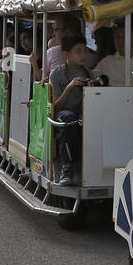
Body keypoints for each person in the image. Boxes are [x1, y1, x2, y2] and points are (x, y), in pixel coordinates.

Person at [48, 35, 98, 185]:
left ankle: (93, 167)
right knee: (69, 119)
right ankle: (67, 167)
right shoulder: (57, 74)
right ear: (66, 55)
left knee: (93, 119)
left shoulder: (88, 73)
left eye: (85, 51)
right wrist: (69, 88)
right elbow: (56, 105)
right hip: (65, 113)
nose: (83, 55)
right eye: (78, 51)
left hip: (83, 111)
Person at [91, 21, 133, 86]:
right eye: (117, 37)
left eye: (124, 37)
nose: (120, 41)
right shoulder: (107, 62)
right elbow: (91, 77)